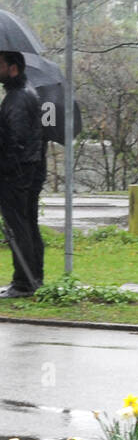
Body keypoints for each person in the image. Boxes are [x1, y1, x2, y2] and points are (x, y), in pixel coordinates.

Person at [0, 51, 46, 298]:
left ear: (13, 68)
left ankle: (24, 283)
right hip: (29, 170)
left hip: (16, 174)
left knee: (19, 226)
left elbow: (14, 141)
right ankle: (33, 277)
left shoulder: (17, 99)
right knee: (28, 225)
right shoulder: (25, 93)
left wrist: (6, 169)